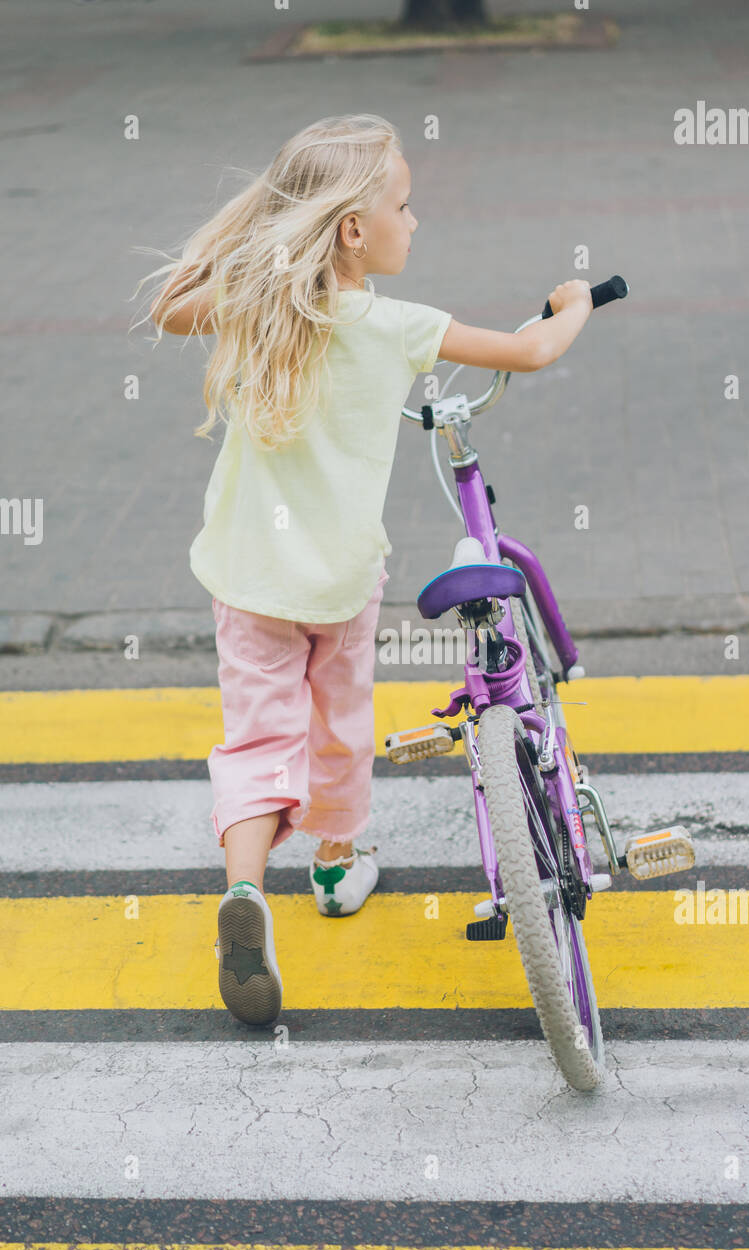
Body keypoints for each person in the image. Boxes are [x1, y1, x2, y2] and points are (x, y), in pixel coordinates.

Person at [144, 112, 594, 1026]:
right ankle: (340, 863)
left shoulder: (261, 305)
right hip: (341, 586)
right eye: (402, 203)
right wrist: (574, 302)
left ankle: (244, 890)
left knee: (257, 738)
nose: (414, 220)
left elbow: (169, 307)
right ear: (353, 230)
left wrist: (258, 221)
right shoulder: (398, 327)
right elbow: (531, 351)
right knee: (340, 730)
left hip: (248, 576)